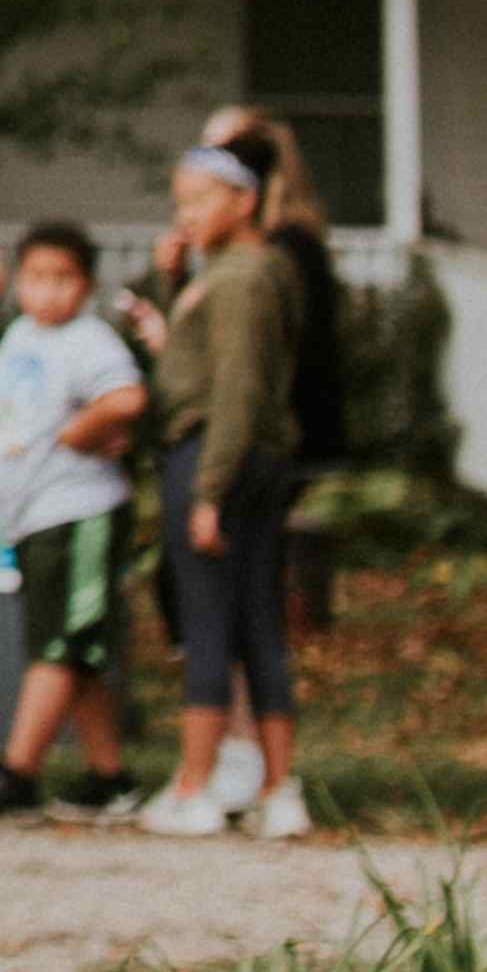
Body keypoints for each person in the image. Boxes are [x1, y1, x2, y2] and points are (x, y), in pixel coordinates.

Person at [141, 105, 352, 824]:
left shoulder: (238, 277)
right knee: (260, 620)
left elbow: (233, 386)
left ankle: (195, 788)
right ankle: (276, 790)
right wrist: (172, 289)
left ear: (244, 198)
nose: (186, 216)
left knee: (207, 619)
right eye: (180, 204)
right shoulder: (252, 273)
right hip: (260, 456)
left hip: (215, 452)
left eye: (198, 200)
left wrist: (206, 490)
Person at [0, 220, 153, 831]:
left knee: (57, 645)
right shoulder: (23, 337)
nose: (47, 292)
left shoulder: (89, 341)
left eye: (63, 279)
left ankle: (19, 773)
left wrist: (81, 431)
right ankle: (109, 778)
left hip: (76, 511)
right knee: (75, 649)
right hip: (32, 517)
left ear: (85, 285)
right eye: (35, 278)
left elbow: (127, 398)